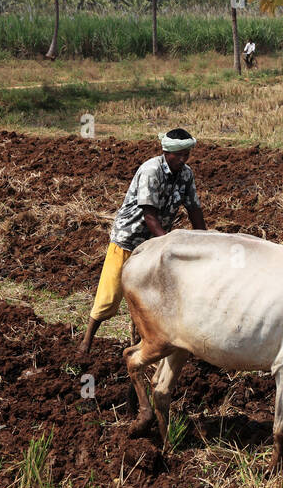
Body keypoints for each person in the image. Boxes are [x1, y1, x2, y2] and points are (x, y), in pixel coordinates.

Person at [78, 128, 206, 354]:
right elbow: (149, 214)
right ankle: (87, 340)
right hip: (130, 239)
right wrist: (166, 244)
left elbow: (194, 208)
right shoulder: (151, 171)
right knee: (110, 296)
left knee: (150, 299)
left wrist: (205, 239)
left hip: (156, 243)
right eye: (179, 155)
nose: (183, 159)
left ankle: (140, 342)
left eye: (187, 154)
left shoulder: (186, 174)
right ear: (167, 152)